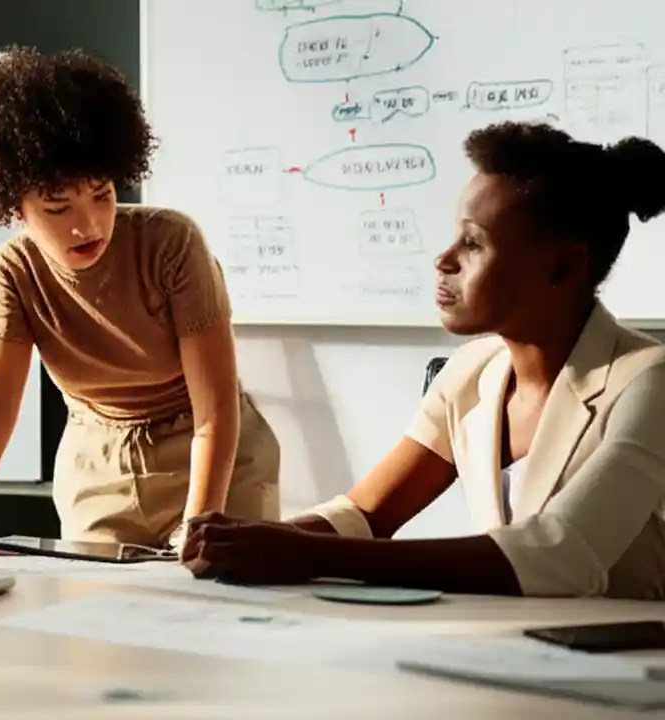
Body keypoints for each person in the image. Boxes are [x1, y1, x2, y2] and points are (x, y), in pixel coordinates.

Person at [185, 121, 665, 599]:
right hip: (510, 641)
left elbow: (560, 556)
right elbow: (365, 515)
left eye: (473, 243)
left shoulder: (648, 380)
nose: (444, 259)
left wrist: (307, 553)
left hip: (631, 647)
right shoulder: (473, 372)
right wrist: (251, 540)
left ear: (565, 265)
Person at [0, 47, 280, 565]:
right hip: (97, 465)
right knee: (97, 611)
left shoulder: (172, 243)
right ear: (13, 205)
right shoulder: (13, 272)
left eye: (102, 194)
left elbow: (217, 406)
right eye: (58, 207)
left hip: (212, 455)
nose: (89, 225)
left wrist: (201, 521)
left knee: (221, 600)